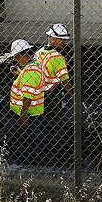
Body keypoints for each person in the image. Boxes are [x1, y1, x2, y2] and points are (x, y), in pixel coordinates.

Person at [0, 39, 45, 167]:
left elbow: (28, 97)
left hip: (27, 113)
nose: (16, 60)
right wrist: (19, 72)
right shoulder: (32, 66)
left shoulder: (30, 71)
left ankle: (30, 164)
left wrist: (23, 116)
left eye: (16, 57)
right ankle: (30, 162)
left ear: (21, 56)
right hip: (30, 112)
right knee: (31, 138)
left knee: (28, 140)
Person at [36, 23, 73, 167]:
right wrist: (73, 96)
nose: (64, 42)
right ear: (52, 39)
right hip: (52, 97)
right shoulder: (58, 58)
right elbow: (65, 83)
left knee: (40, 127)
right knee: (56, 127)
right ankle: (57, 158)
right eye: (61, 39)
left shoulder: (38, 53)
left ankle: (39, 158)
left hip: (38, 95)